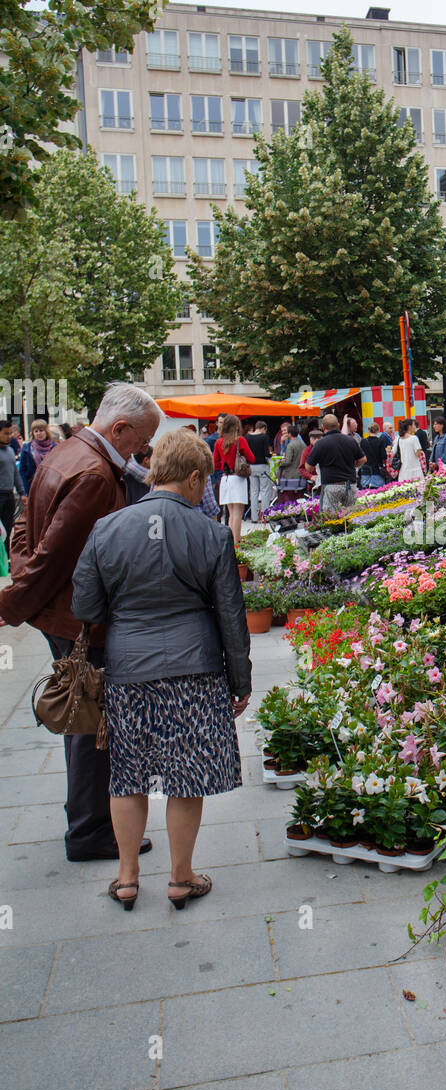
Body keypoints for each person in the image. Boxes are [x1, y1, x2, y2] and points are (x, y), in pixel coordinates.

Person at [71, 428, 251, 910]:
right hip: (194, 670)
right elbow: (232, 616)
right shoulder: (212, 534)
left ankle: (127, 878)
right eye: (204, 482)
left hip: (128, 670)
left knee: (127, 775)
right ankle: (180, 877)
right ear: (193, 478)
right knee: (186, 776)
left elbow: (84, 603)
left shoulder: (108, 529)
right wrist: (240, 680)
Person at [0, 382, 162, 861]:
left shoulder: (70, 451)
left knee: (83, 714)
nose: (142, 451)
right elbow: (55, 556)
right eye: (141, 440)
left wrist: (23, 581)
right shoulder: (94, 473)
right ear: (120, 428)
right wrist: (12, 605)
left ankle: (87, 819)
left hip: (66, 615)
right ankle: (91, 830)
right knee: (92, 720)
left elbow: (26, 527)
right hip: (79, 620)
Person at [303, 413, 364, 515]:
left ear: (323, 427)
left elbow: (308, 467)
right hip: (350, 485)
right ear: (338, 425)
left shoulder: (320, 444)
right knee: (350, 517)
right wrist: (353, 465)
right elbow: (363, 459)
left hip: (331, 486)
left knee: (330, 518)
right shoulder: (350, 440)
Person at [212, 415, 255, 546]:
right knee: (238, 513)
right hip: (238, 479)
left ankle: (230, 542)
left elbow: (215, 463)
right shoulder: (240, 440)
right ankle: (236, 543)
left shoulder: (219, 442)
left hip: (225, 479)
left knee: (230, 513)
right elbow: (251, 458)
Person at [0, 421, 25, 558]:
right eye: (5, 433)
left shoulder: (10, 450)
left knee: (8, 528)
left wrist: (22, 492)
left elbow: (15, 473)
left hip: (9, 494)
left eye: (10, 433)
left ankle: (6, 557)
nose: (9, 436)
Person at [18, 418, 57, 495]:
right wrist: (26, 490)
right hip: (33, 487)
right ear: (33, 433)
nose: (39, 433)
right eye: (36, 431)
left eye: (41, 430)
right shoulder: (27, 448)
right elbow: (22, 470)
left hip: (51, 487)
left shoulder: (54, 447)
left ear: (46, 431)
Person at [247, 420, 274, 520]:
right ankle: (265, 517)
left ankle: (254, 517)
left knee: (253, 492)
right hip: (262, 466)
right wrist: (271, 454)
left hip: (251, 466)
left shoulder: (247, 437)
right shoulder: (264, 437)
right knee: (264, 491)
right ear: (263, 428)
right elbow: (266, 453)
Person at [277, 421, 306, 496]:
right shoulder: (302, 444)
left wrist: (280, 464)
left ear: (289, 433)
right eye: (282, 431)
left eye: (285, 430)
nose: (283, 432)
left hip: (292, 473)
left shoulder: (291, 444)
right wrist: (282, 443)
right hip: (300, 471)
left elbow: (288, 460)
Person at [393, 417, 425, 482]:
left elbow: (392, 453)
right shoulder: (414, 438)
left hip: (403, 471)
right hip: (415, 469)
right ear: (409, 427)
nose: (415, 427)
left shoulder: (398, 439)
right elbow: (418, 454)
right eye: (413, 425)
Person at [360, 422, 391, 489]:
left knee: (365, 492)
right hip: (377, 470)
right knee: (378, 492)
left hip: (365, 470)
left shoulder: (363, 441)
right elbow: (384, 456)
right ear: (378, 431)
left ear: (368, 431)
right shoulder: (380, 441)